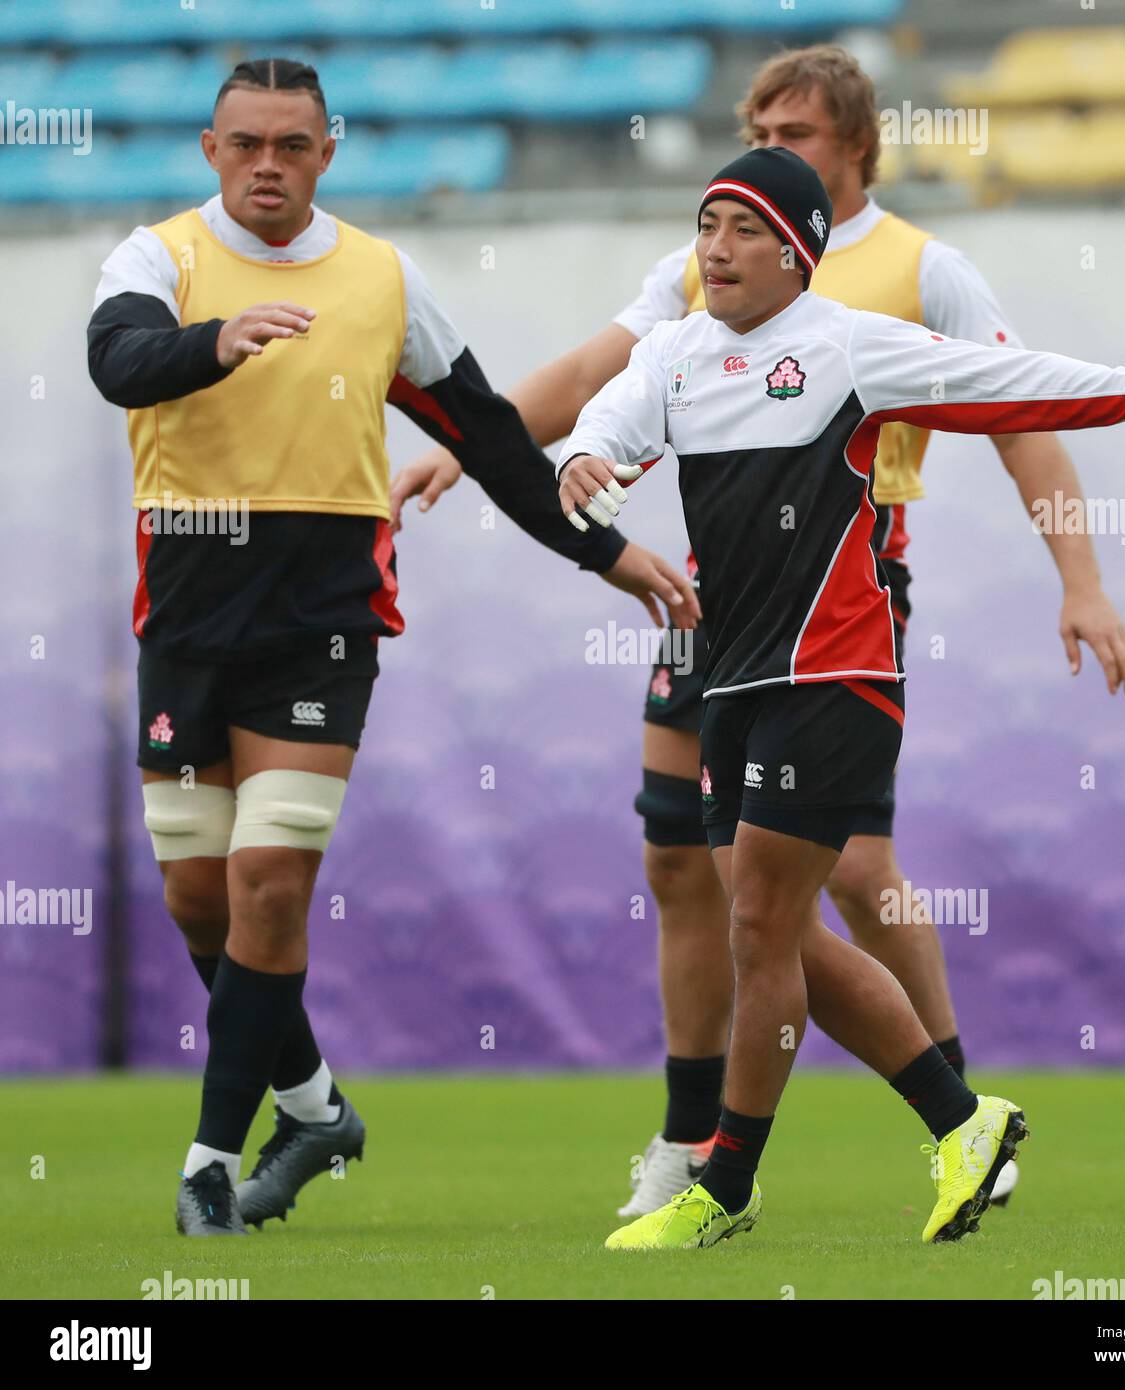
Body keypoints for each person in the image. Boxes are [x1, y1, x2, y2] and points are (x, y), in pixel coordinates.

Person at [389, 45, 1125, 1218]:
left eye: (795, 132)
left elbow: (1021, 420)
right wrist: (480, 445)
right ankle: (701, 1141)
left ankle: (950, 1112)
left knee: (849, 878)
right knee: (688, 871)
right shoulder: (710, 260)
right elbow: (605, 369)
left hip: (844, 603)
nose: (770, 150)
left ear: (855, 149)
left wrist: (1080, 579)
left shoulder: (919, 270)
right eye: (759, 126)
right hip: (710, 610)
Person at [555, 146, 1125, 1248]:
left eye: (744, 231)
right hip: (731, 680)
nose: (716, 249)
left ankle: (721, 1188)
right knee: (771, 937)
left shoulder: (846, 344)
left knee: (758, 923)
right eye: (706, 225)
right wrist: (579, 462)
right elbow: (606, 422)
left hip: (835, 673)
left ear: (798, 253)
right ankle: (960, 1120)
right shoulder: (678, 354)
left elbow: (1015, 384)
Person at [86, 57, 697, 1237]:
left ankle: (213, 1162)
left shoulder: (380, 279)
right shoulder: (155, 260)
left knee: (270, 881)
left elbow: (493, 439)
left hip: (321, 629)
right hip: (188, 627)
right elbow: (118, 365)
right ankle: (313, 1106)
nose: (269, 164)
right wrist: (212, 342)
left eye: (293, 145)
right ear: (212, 149)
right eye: (247, 143)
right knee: (198, 898)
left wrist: (610, 554)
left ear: (330, 150)